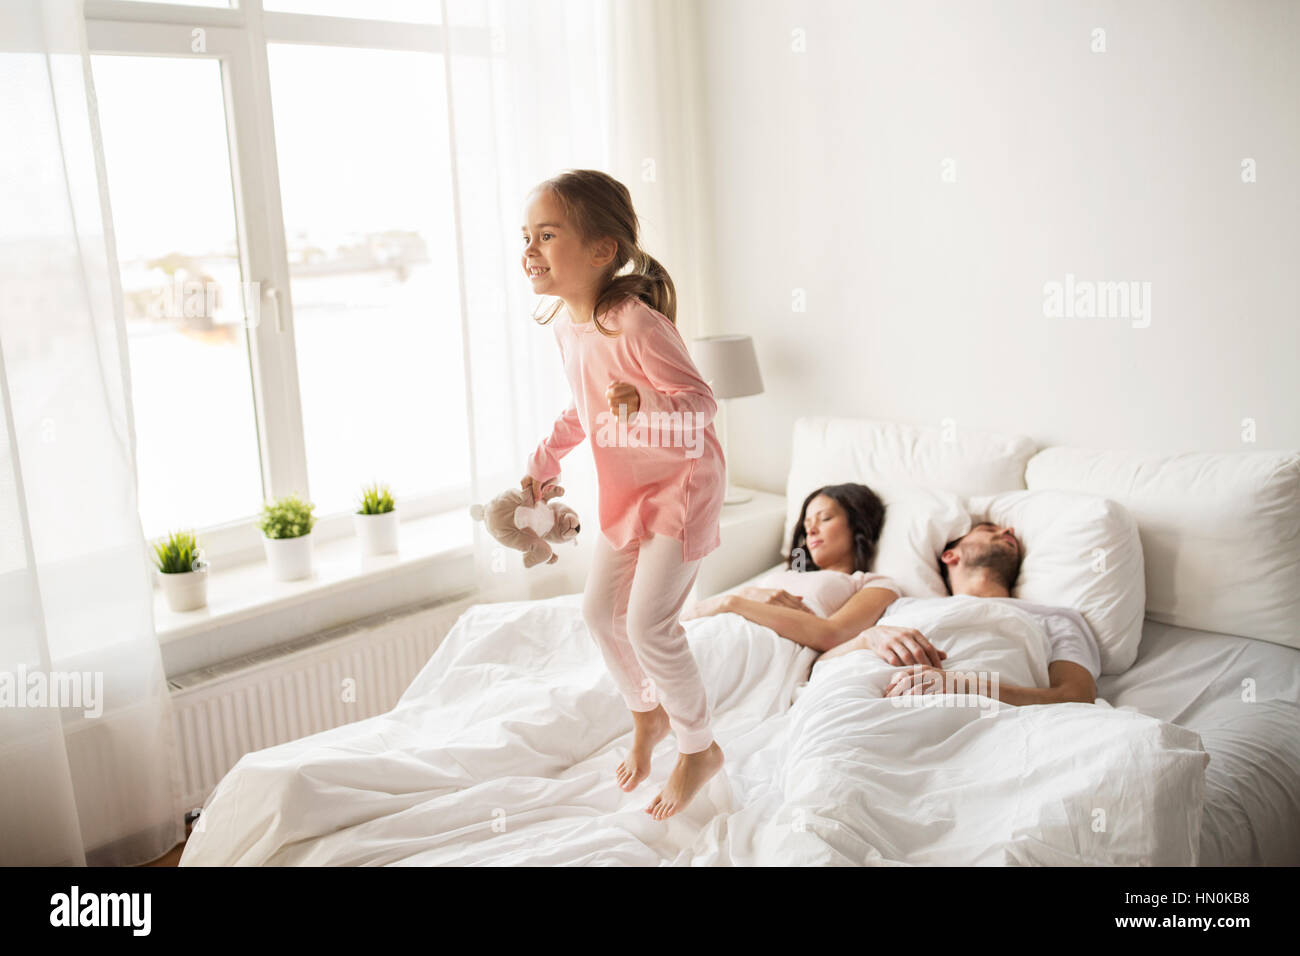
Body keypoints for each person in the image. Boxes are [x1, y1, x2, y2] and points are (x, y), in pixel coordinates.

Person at [519, 169, 726, 820]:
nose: (529, 250)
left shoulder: (636, 323)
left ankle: (699, 748)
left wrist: (644, 404)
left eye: (546, 236)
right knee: (599, 615)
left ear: (602, 250)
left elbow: (700, 409)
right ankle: (649, 715)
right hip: (628, 489)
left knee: (648, 623)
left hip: (683, 484)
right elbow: (586, 405)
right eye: (525, 237)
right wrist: (546, 458)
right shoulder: (566, 327)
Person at [820, 521, 1100, 705]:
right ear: (950, 555)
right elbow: (818, 667)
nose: (1008, 531)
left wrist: (965, 686)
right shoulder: (903, 607)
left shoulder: (1055, 619)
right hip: (869, 704)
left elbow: (1076, 697)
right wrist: (868, 638)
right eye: (989, 528)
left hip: (987, 721)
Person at [684, 484, 948, 667]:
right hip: (708, 629)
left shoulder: (872, 583)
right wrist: (743, 595)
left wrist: (731, 602)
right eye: (807, 524)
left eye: (824, 519)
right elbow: (690, 616)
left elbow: (832, 635)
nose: (811, 531)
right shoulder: (784, 575)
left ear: (857, 525)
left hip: (755, 650)